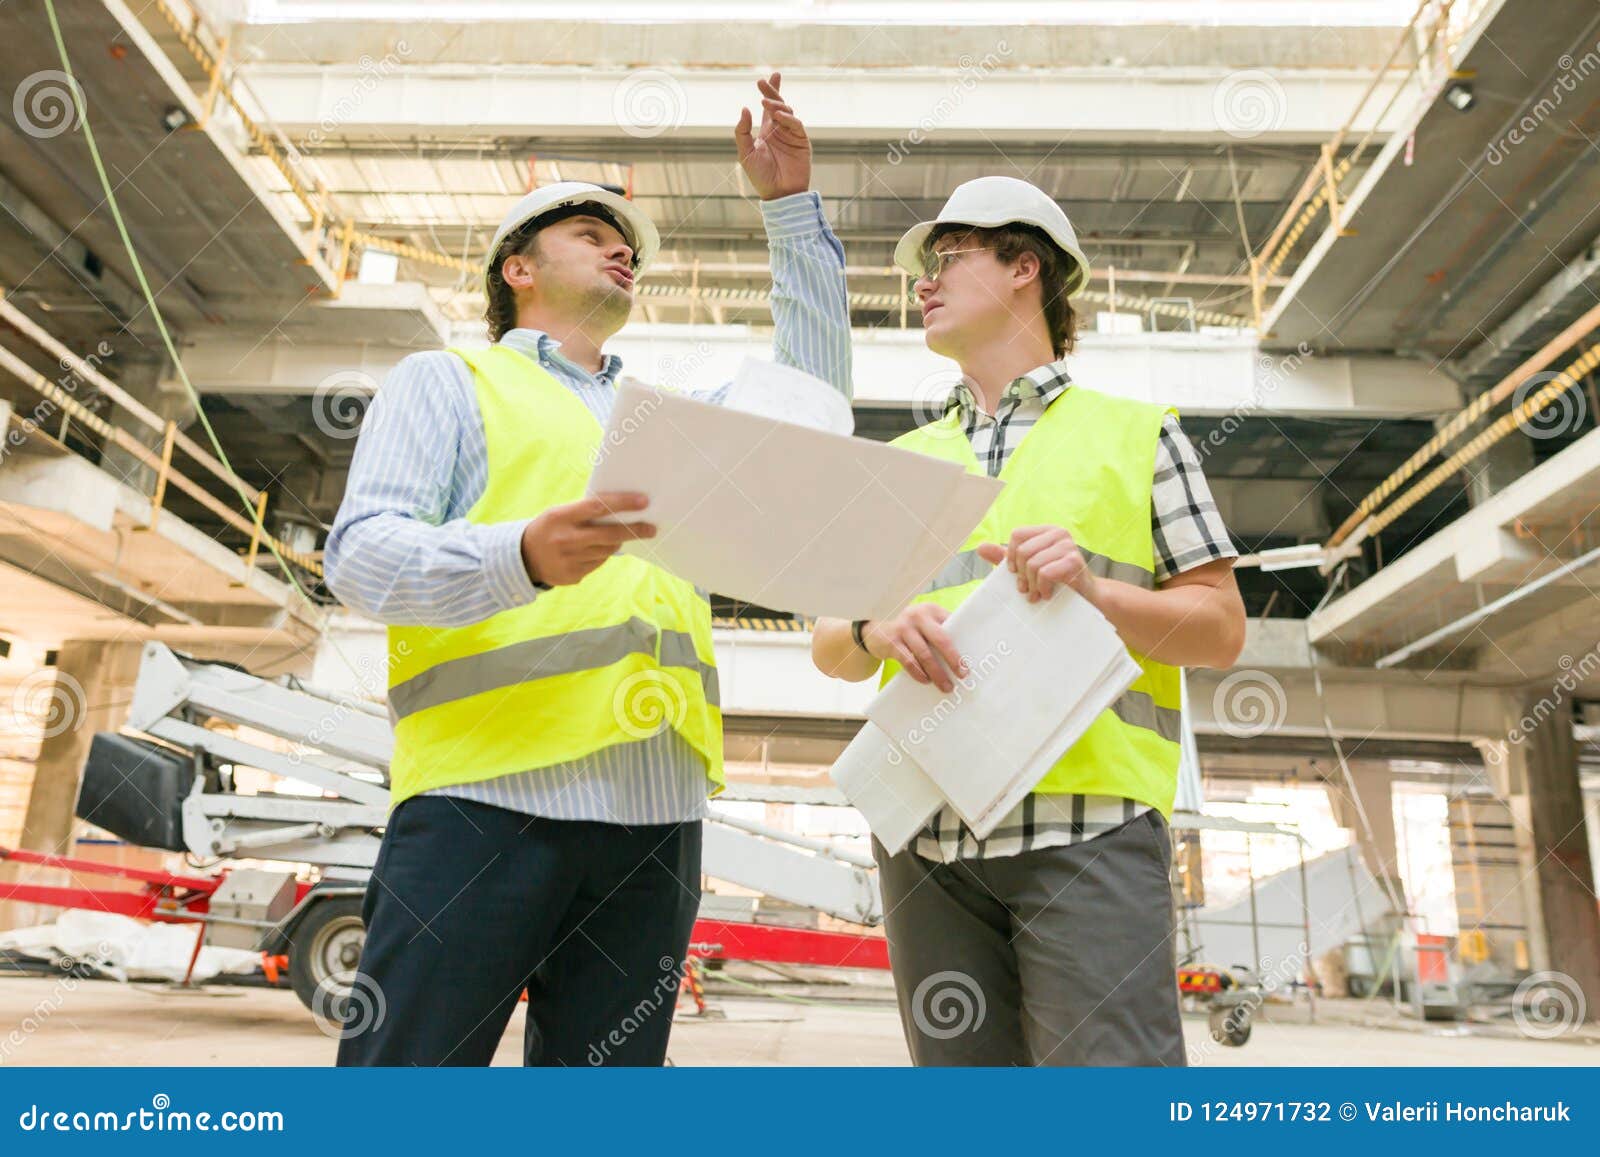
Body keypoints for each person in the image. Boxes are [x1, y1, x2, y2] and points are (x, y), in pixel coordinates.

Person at [326, 74, 851, 1066]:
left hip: (655, 820)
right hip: (483, 802)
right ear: (516, 267)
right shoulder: (449, 379)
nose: (623, 247)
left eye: (630, 245)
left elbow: (814, 407)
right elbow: (358, 557)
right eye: (589, 232)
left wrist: (789, 207)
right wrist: (516, 554)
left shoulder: (668, 414)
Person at [811, 175, 1245, 1066]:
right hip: (925, 838)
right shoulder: (903, 460)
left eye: (946, 257)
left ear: (1024, 266)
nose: (922, 283)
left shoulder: (1140, 436)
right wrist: (875, 631)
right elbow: (831, 646)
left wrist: (1097, 592)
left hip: (1087, 831)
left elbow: (1220, 627)